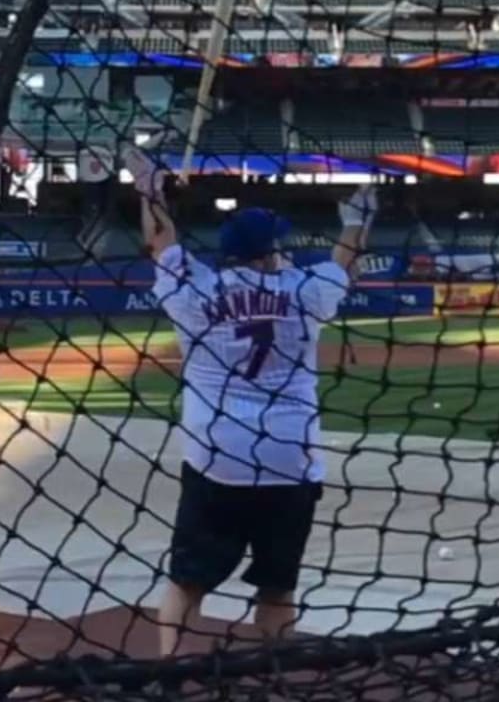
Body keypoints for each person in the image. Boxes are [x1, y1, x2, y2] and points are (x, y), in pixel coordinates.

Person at [124, 148, 377, 657]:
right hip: (289, 459)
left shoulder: (196, 291)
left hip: (218, 460)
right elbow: (344, 262)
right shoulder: (303, 291)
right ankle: (275, 674)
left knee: (186, 582)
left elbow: (160, 241)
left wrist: (148, 189)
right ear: (267, 253)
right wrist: (358, 217)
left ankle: (171, 667)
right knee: (278, 588)